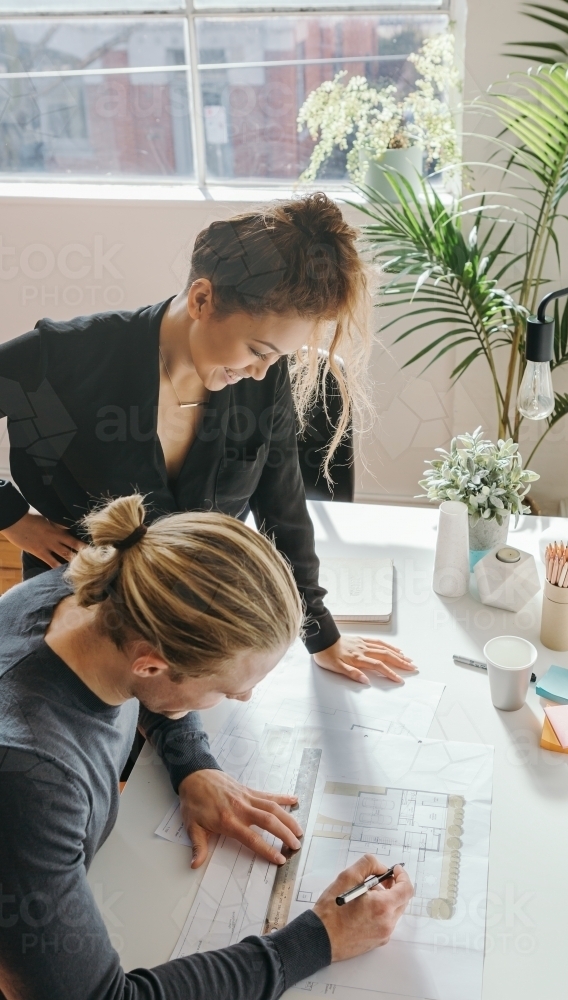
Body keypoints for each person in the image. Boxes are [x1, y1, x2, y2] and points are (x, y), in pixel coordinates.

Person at [0, 494, 413, 1000]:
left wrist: (191, 762)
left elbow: (147, 682)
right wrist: (315, 939)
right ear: (152, 664)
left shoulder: (95, 592)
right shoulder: (32, 781)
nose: (243, 697)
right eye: (227, 689)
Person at [0, 191, 414, 687]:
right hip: (84, 619)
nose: (262, 372)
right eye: (257, 350)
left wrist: (321, 634)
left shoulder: (262, 382)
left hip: (194, 628)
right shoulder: (67, 356)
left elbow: (282, 506)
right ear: (201, 299)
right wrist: (12, 519)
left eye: (277, 358)